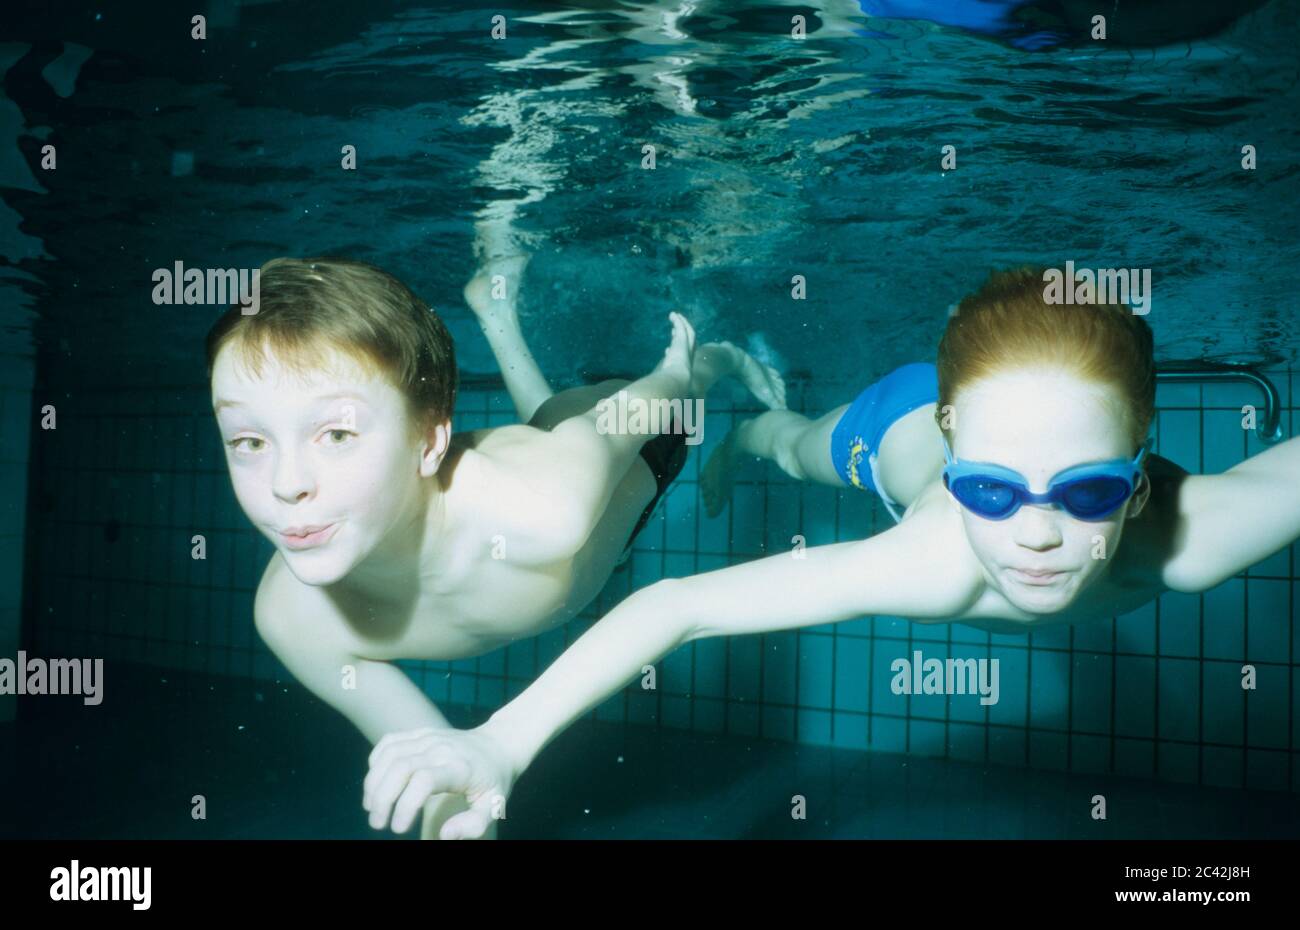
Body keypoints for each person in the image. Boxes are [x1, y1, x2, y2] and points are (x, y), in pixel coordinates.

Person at [361, 267, 1300, 838]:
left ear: (1138, 480)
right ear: (956, 454)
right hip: (889, 431)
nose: (1039, 534)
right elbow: (678, 603)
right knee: (796, 445)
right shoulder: (926, 556)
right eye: (989, 489)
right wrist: (499, 744)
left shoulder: (1196, 538)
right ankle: (741, 433)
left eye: (1090, 490)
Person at [206, 254, 783, 838]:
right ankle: (496, 311)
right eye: (249, 441)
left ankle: (720, 356)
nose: (285, 485)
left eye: (336, 434)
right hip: (545, 481)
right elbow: (430, 763)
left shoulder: (546, 507)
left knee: (668, 411)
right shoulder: (291, 619)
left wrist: (675, 373)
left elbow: (633, 414)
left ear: (431, 443)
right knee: (544, 430)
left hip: (620, 443)